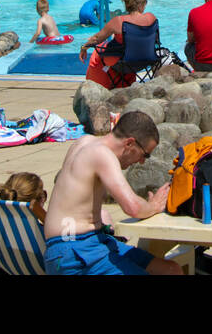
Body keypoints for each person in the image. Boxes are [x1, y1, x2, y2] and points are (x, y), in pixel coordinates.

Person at [43, 111, 182, 275]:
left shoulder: (84, 142)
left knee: (171, 270)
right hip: (74, 251)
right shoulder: (102, 154)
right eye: (145, 155)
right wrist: (154, 205)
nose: (142, 161)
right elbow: (133, 208)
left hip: (89, 243)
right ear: (130, 143)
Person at [80, 0, 158, 88]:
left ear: (126, 4)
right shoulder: (151, 18)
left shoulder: (119, 21)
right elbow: (155, 40)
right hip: (147, 60)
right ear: (142, 4)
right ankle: (126, 83)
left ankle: (97, 87)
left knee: (97, 53)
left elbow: (96, 39)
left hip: (123, 63)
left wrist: (84, 48)